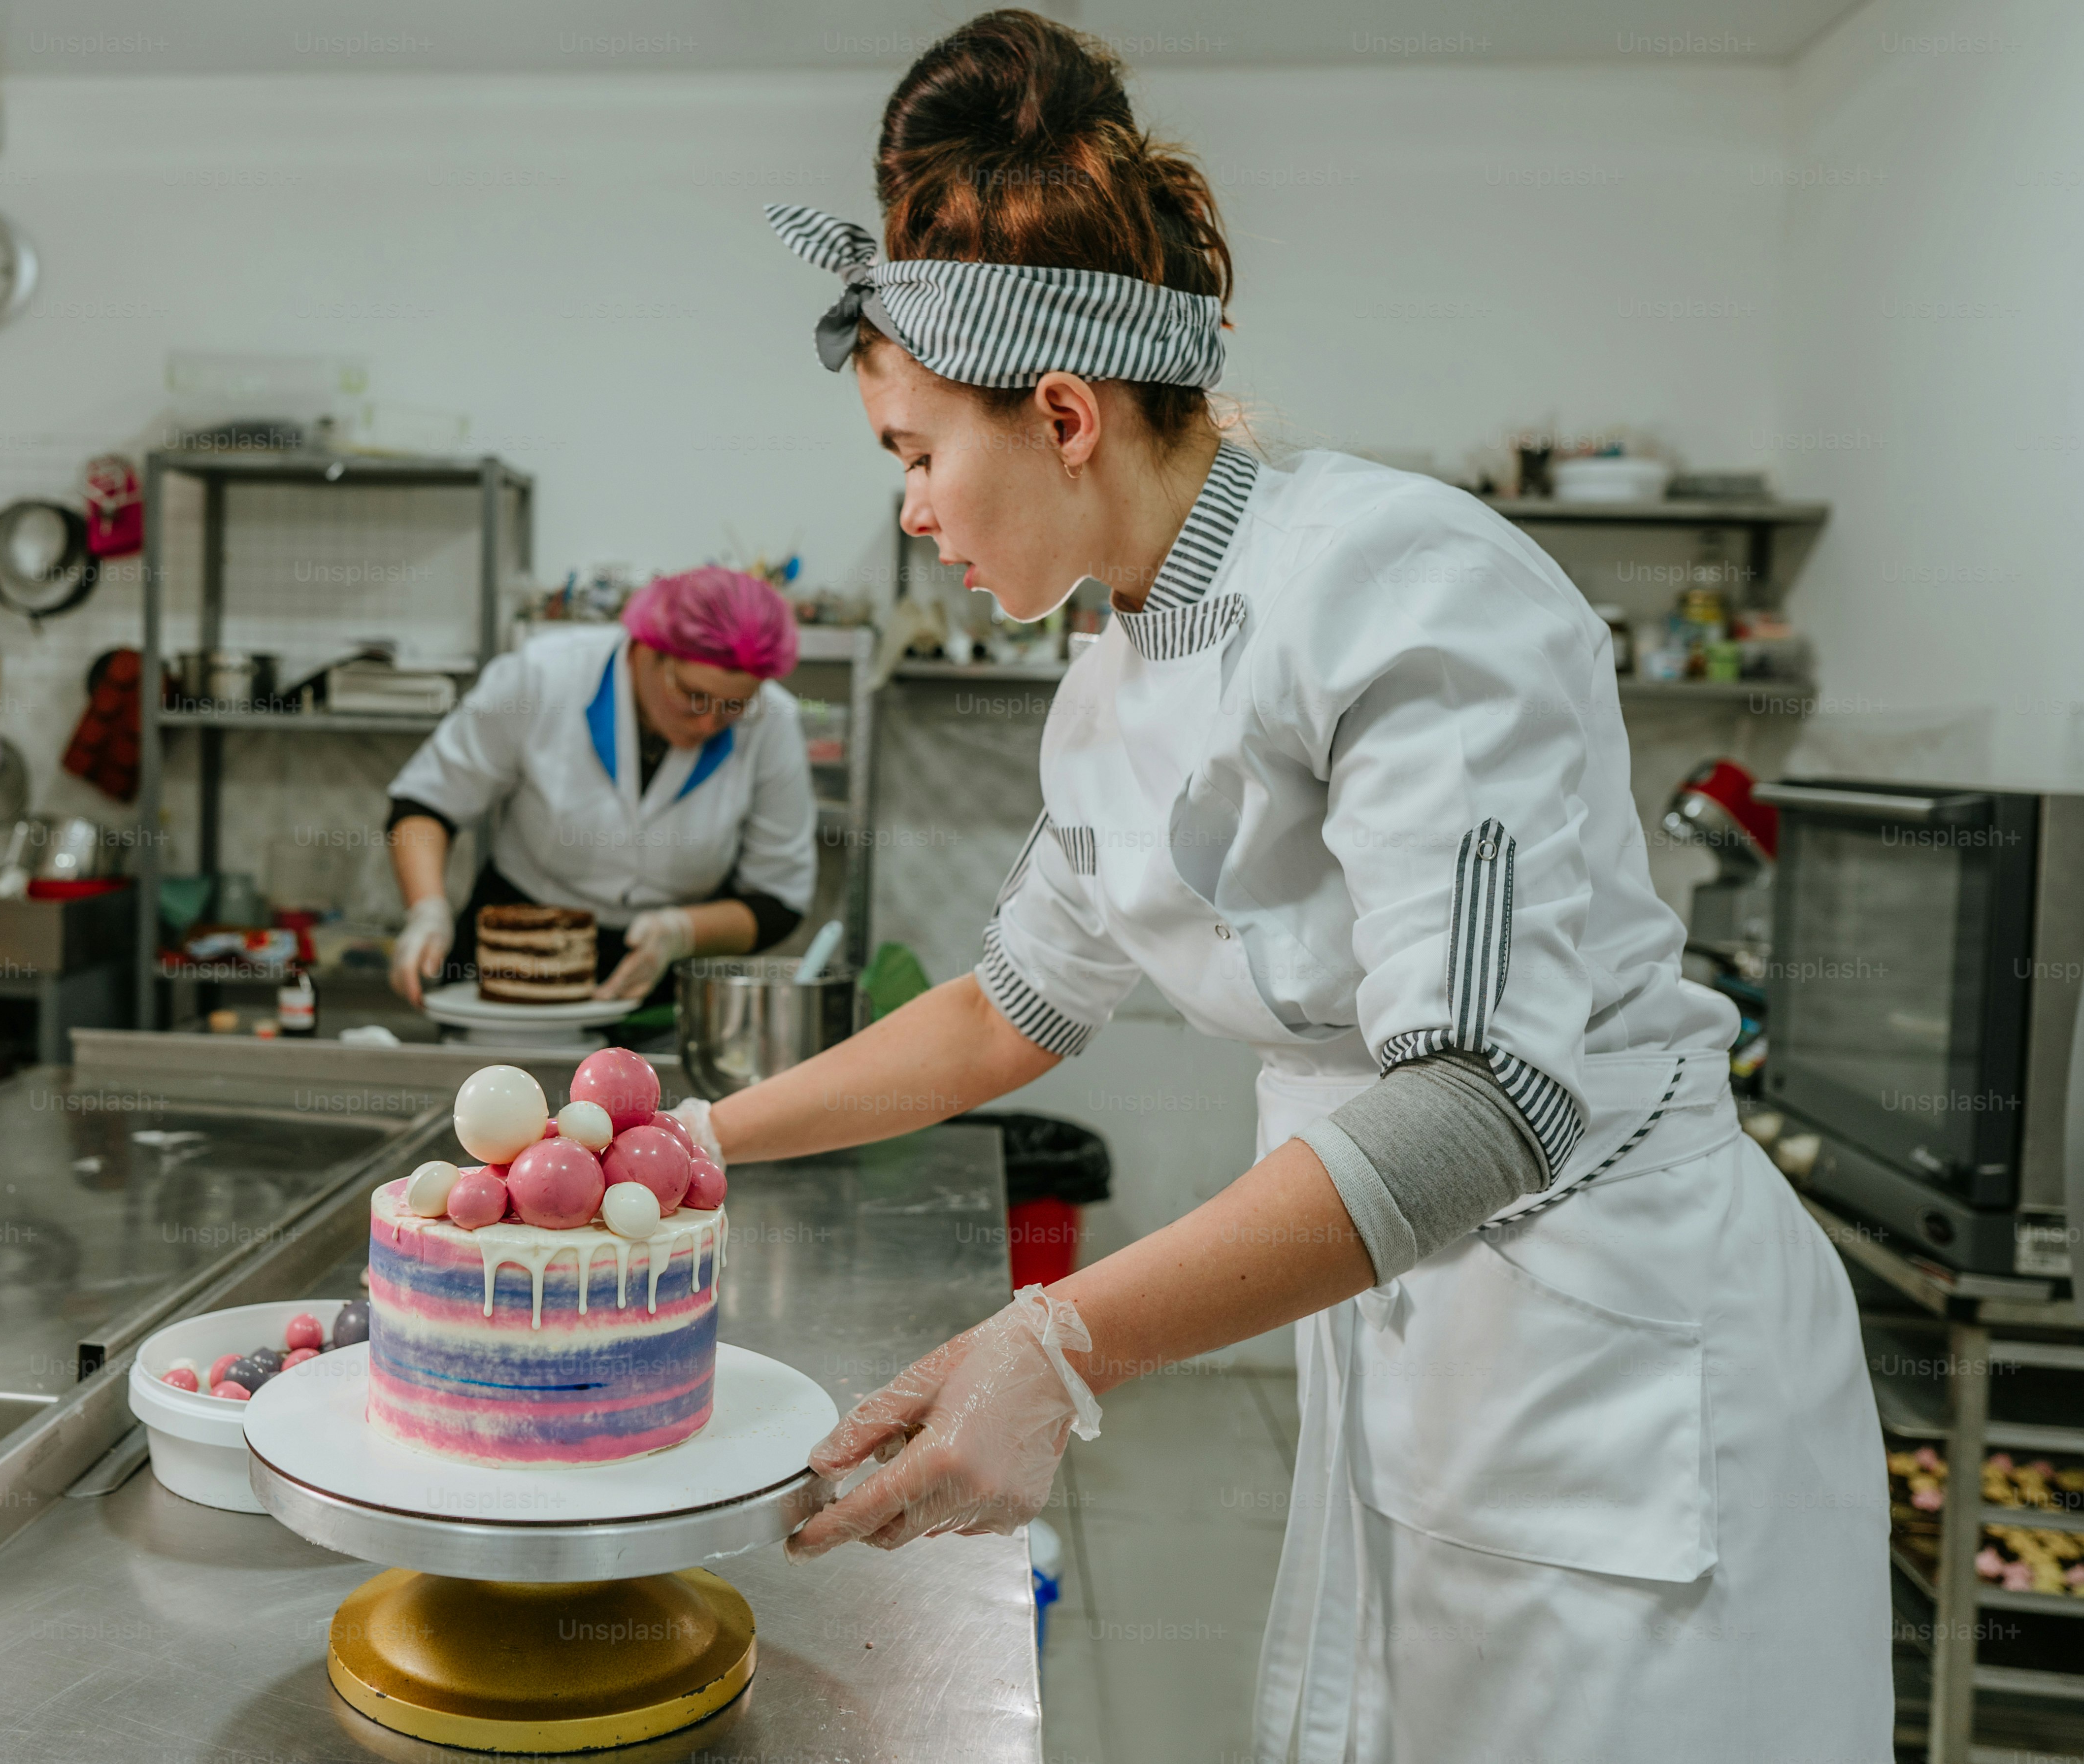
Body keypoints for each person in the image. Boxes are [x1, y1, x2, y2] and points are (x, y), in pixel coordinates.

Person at [699, 14, 1889, 1762]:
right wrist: (690, 1144)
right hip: (1409, 1308)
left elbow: (1487, 1094)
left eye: (911, 454)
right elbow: (1014, 1005)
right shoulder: (1112, 677)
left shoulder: (1401, 584)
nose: (911, 514)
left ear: (1061, 410)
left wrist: (1060, 1341)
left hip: (1609, 1325)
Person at [382, 566, 816, 1005]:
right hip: (516, 957)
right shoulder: (543, 676)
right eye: (693, 697)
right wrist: (427, 910)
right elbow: (425, 803)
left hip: (663, 982)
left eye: (733, 706)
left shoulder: (772, 723)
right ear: (650, 649)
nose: (709, 722)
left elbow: (778, 899)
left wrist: (682, 933)